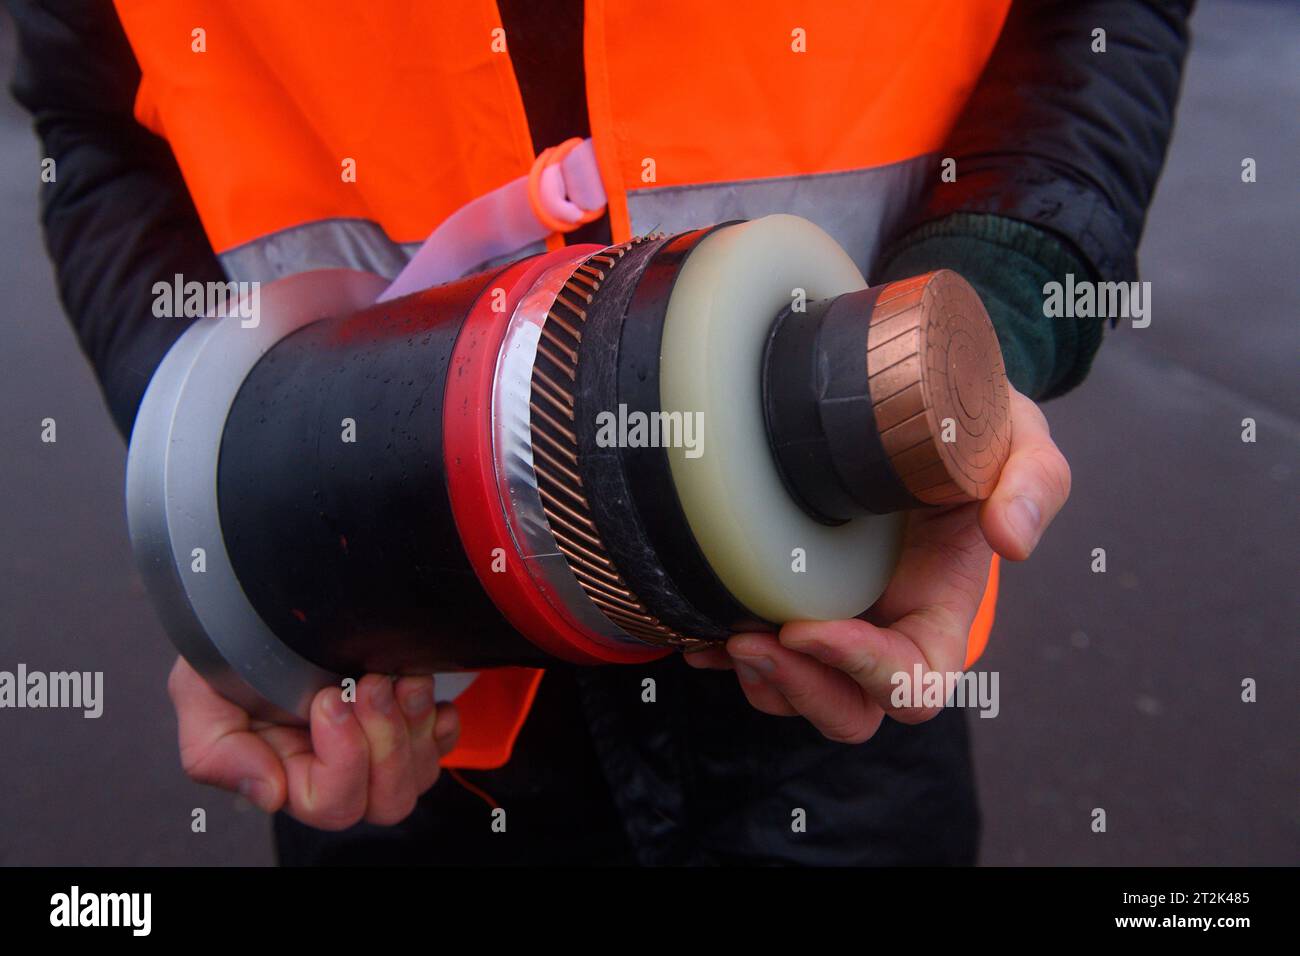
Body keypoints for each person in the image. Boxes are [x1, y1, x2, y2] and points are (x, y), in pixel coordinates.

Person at [9, 0, 1190, 864]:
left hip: (836, 614)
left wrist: (985, 302)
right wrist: (214, 495)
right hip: (399, 683)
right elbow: (94, 127)